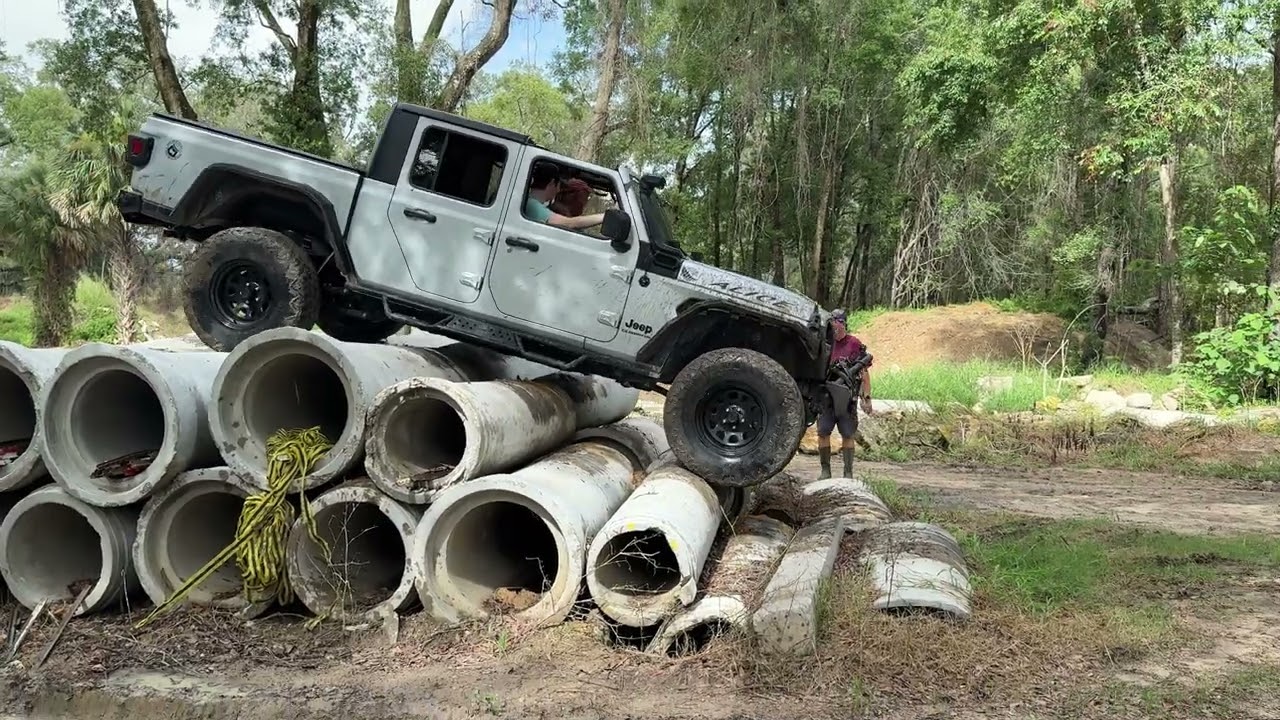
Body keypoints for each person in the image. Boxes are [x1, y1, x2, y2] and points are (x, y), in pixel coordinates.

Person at [817, 308, 873, 479]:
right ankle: (825, 471)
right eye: (832, 323)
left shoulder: (854, 344)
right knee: (823, 432)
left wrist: (867, 398)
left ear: (843, 324)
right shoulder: (825, 343)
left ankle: (848, 473)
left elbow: (864, 372)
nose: (835, 327)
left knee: (848, 434)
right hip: (827, 397)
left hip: (847, 398)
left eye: (837, 323)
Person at [525, 164, 605, 231]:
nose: (558, 191)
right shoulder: (532, 205)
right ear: (552, 183)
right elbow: (570, 223)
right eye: (559, 185)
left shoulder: (530, 202)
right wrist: (604, 216)